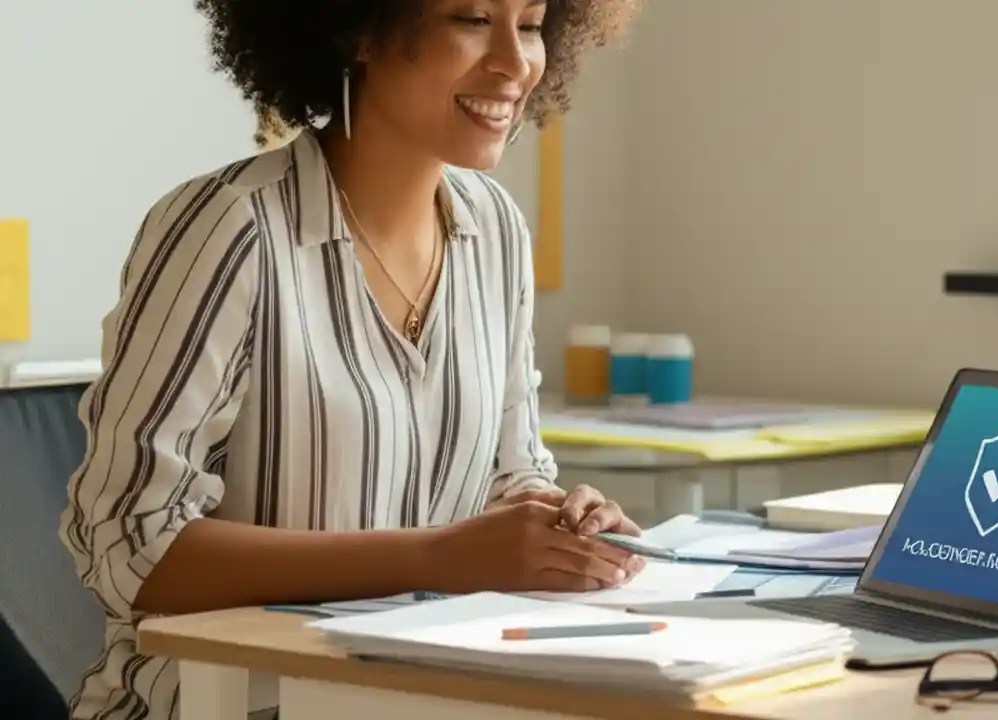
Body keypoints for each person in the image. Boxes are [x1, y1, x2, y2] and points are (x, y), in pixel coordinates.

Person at [58, 0, 643, 717]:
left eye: (528, 23)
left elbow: (507, 475)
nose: (515, 61)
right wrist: (436, 556)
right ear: (362, 29)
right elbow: (129, 546)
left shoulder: (495, 232)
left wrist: (557, 526)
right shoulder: (230, 229)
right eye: (470, 17)